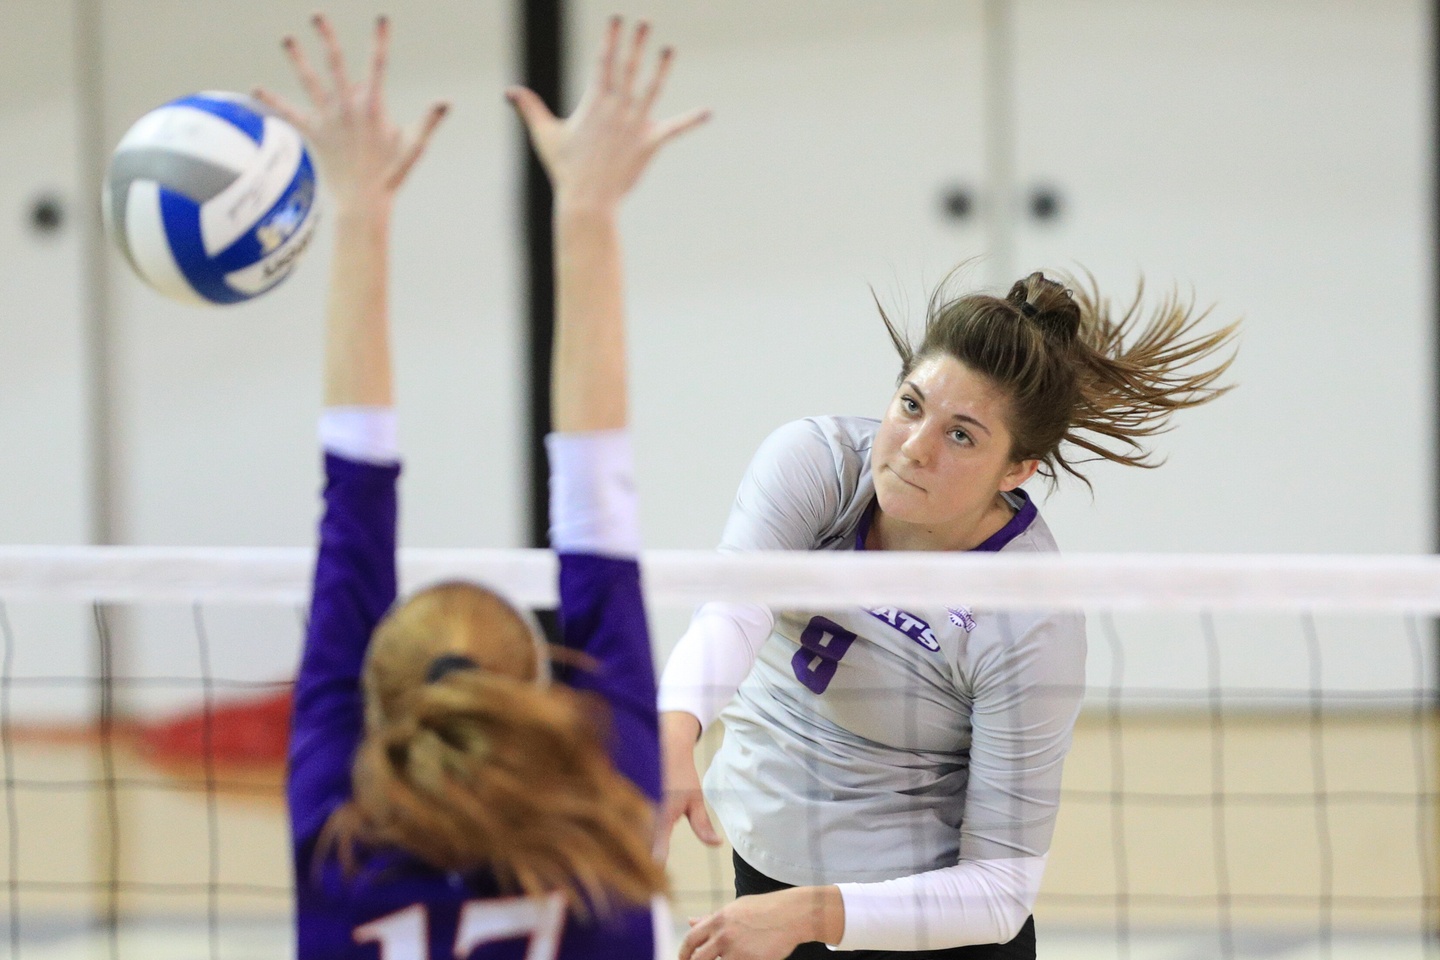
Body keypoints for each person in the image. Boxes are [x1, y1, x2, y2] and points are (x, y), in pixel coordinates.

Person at [262, 15, 705, 958]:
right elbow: (595, 494)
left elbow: (355, 506)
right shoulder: (606, 830)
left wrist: (357, 212)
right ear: (540, 699)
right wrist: (585, 209)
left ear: (382, 712)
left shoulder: (340, 846)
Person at [661, 272, 1238, 957]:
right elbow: (732, 610)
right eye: (910, 405)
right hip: (770, 875)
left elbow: (998, 891)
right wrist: (672, 732)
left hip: (927, 923)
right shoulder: (815, 464)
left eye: (961, 436)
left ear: (1015, 470)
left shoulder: (1030, 615)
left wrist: (811, 917)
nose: (914, 447)